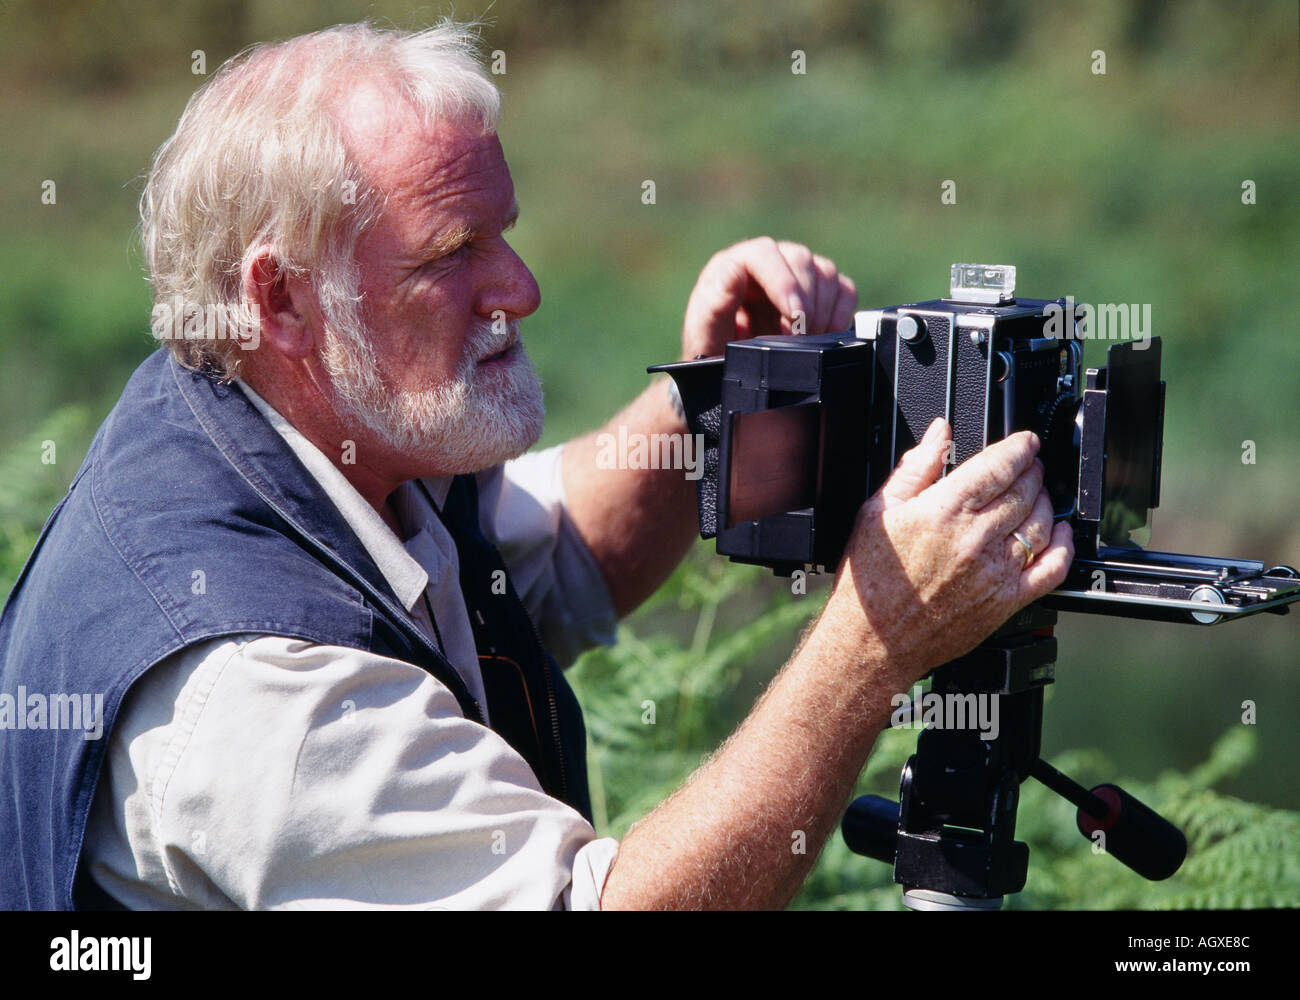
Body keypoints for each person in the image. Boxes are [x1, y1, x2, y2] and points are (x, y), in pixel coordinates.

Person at [0, 21, 1071, 910]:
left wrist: (705, 392)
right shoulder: (255, 691)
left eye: (501, 233)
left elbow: (549, 564)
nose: (521, 288)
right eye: (450, 255)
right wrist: (873, 639)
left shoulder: (287, 424)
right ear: (281, 300)